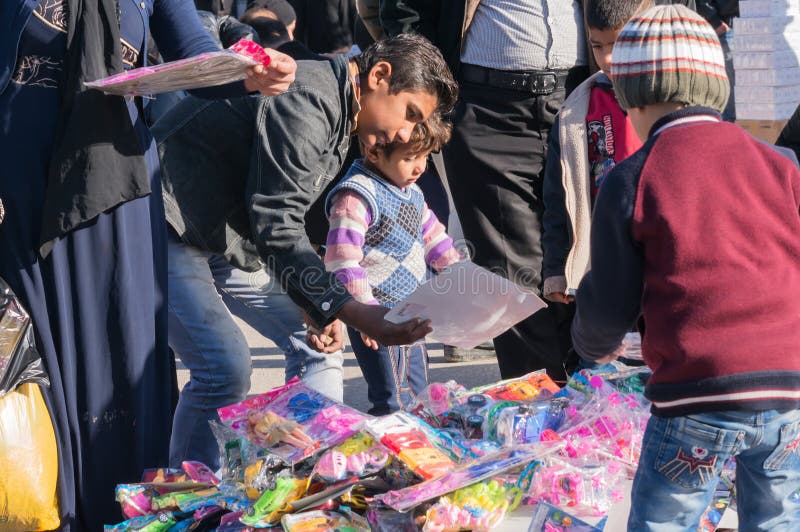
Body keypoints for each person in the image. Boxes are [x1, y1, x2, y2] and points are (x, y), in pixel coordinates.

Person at [0, 0, 294, 528]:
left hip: (118, 187)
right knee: (38, 356)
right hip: (20, 185)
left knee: (123, 354)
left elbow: (194, 56)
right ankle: (51, 512)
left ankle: (119, 516)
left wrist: (250, 71)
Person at [154, 33, 458, 468]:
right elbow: (276, 223)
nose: (407, 133)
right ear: (378, 76)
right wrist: (347, 307)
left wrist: (319, 305)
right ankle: (188, 498)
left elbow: (289, 221)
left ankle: (300, 475)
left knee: (318, 347)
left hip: (227, 237)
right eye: (410, 113)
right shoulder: (311, 100)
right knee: (225, 368)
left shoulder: (343, 111)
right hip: (169, 221)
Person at [570, 5, 800, 530]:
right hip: (789, 389)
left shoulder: (632, 178)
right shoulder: (781, 164)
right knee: (779, 519)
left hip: (698, 392)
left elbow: (609, 302)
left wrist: (590, 345)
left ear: (631, 98)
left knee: (666, 520)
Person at [380, 0, 590, 381]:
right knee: (511, 275)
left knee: (581, 256)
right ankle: (537, 413)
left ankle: (590, 401)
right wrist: (427, 85)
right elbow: (404, 9)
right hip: (486, 107)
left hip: (582, 96)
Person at [324, 118, 462, 414]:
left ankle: (416, 443)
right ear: (374, 152)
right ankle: (390, 451)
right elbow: (342, 261)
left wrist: (459, 275)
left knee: (417, 393)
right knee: (392, 400)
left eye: (425, 156)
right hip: (378, 315)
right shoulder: (356, 197)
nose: (420, 167)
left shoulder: (411, 191)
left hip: (412, 309)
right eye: (410, 158)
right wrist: (366, 312)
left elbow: (434, 238)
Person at [542, 0, 649, 306]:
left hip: (659, 264)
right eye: (598, 46)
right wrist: (556, 269)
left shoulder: (670, 98)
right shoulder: (578, 108)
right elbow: (557, 198)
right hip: (603, 266)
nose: (608, 58)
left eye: (618, 44)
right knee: (597, 352)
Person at [697, 1, 737, 121]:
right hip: (726, 28)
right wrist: (714, 22)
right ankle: (728, 126)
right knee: (732, 89)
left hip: (748, 26)